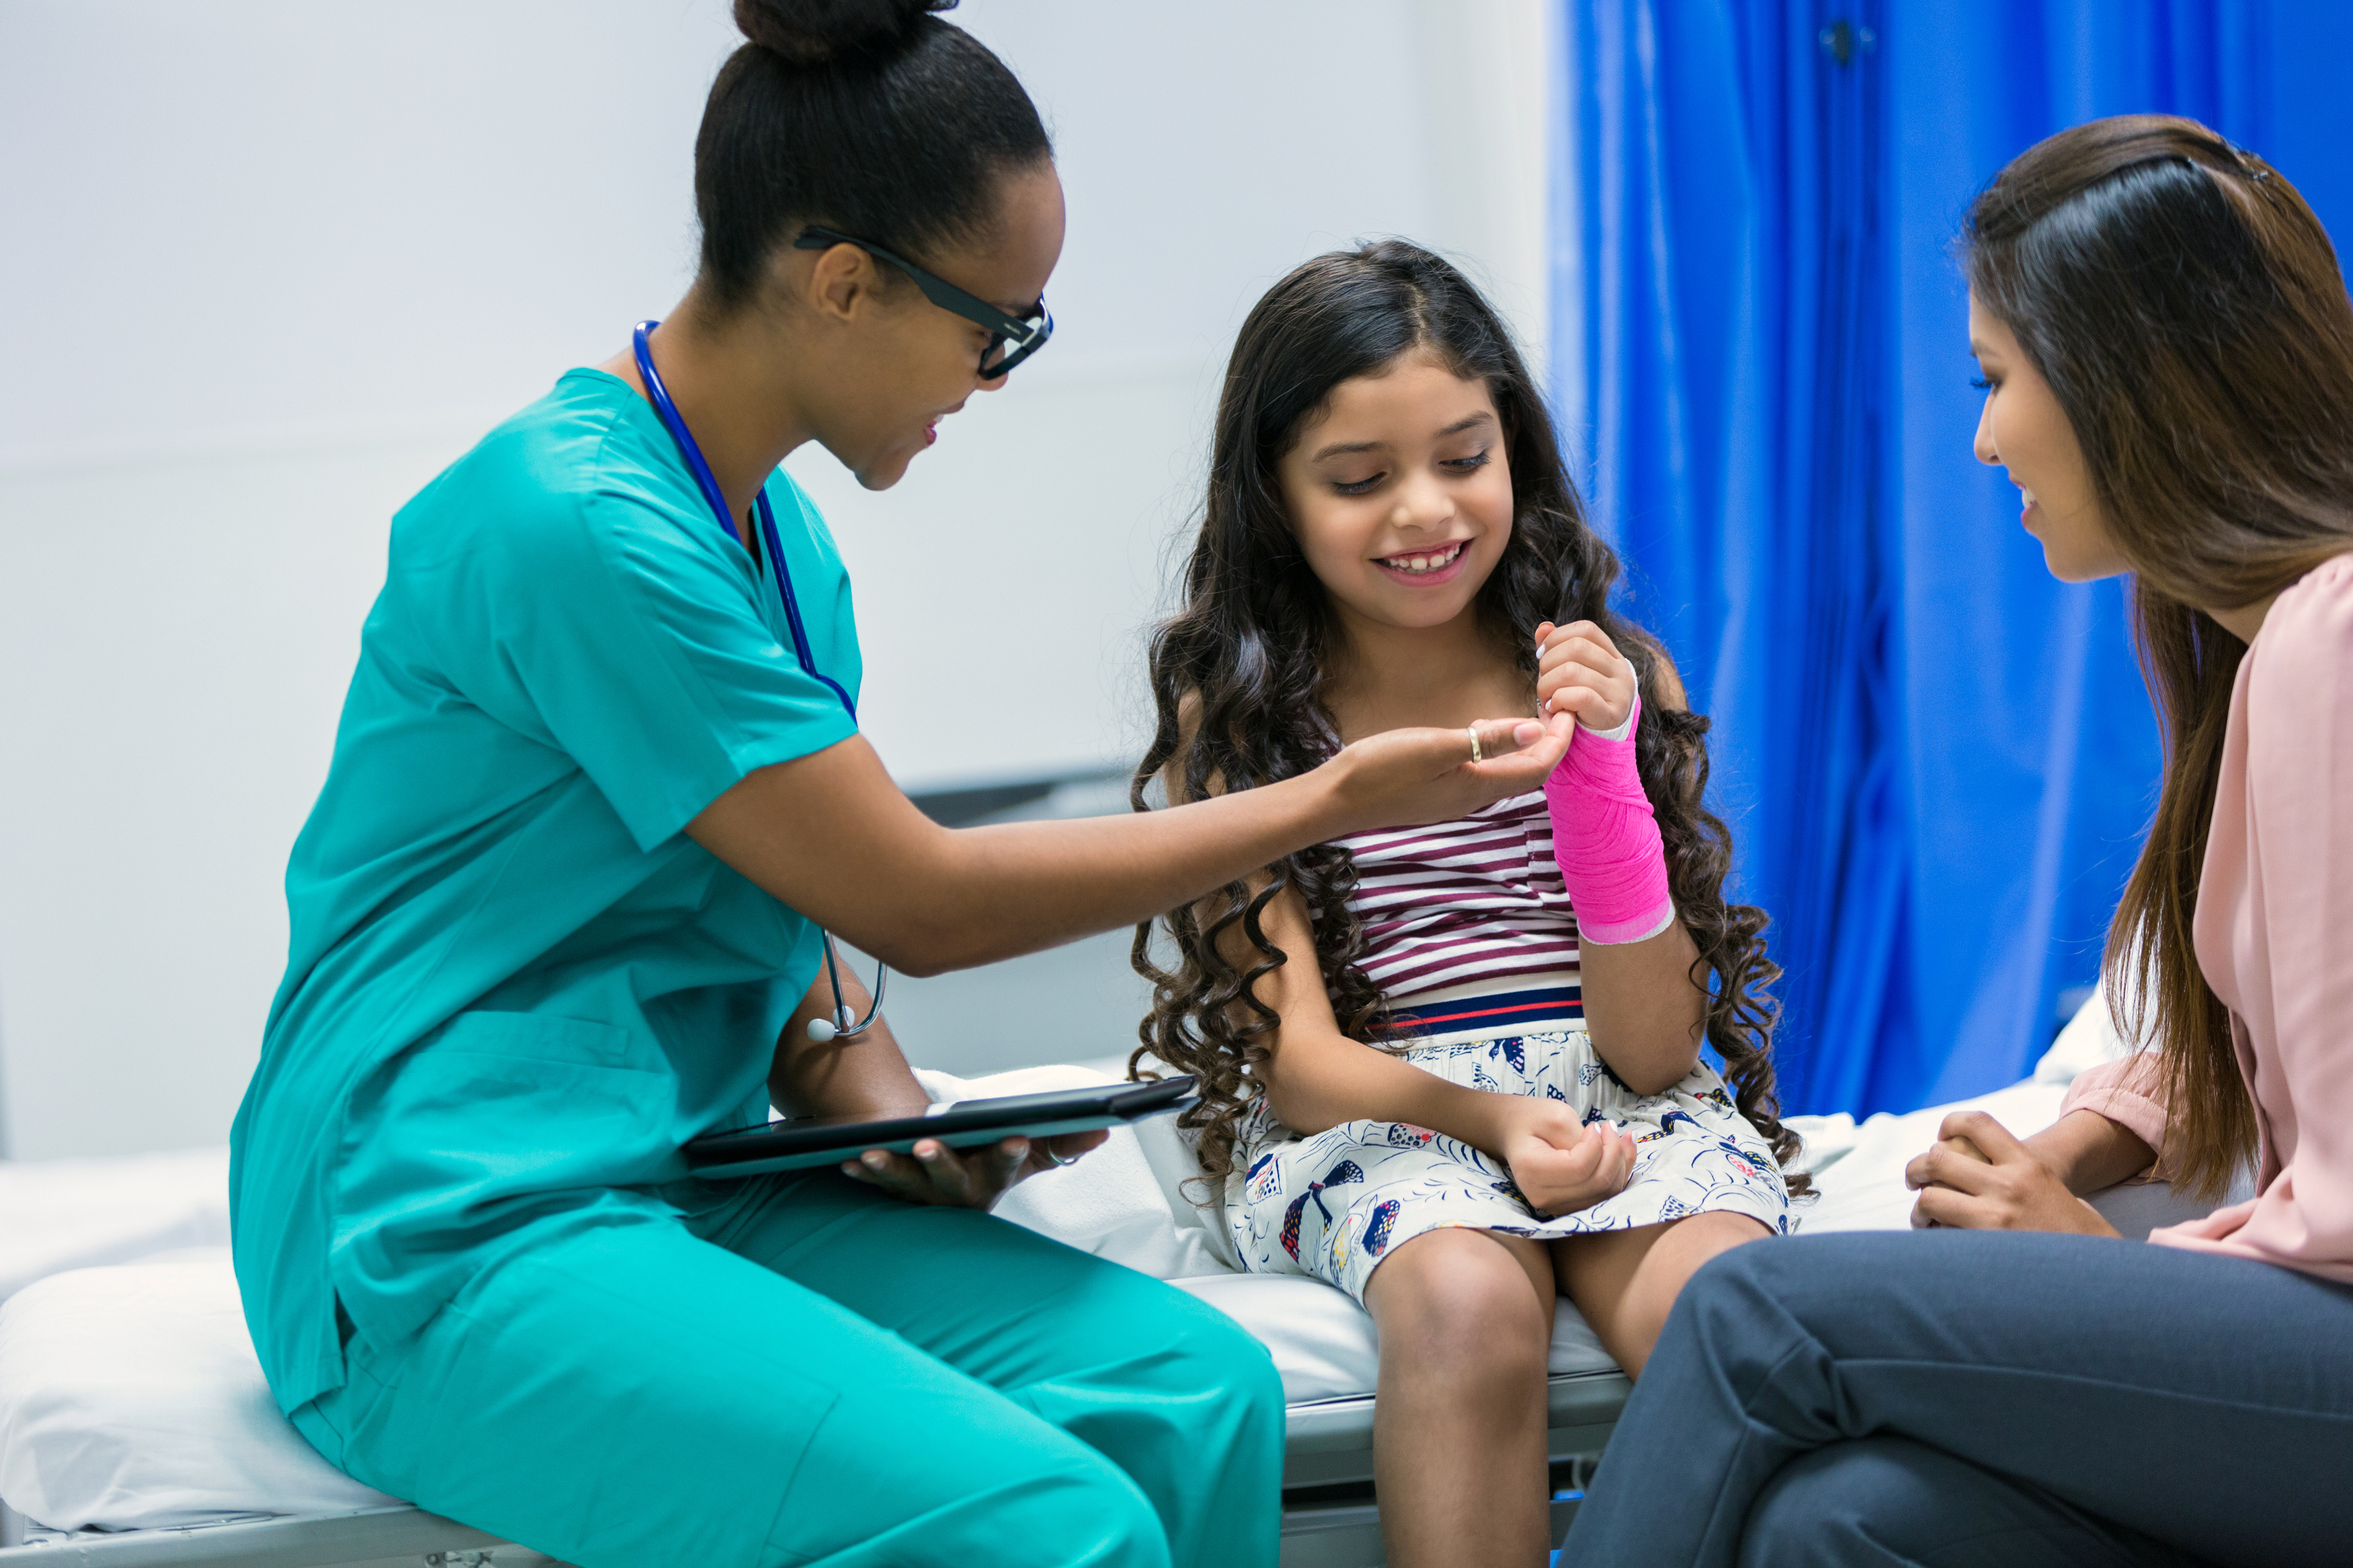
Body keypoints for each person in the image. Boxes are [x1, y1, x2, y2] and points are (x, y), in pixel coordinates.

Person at [225, 7, 1577, 1568]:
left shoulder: (780, 548)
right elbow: (912, 900)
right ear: (843, 279)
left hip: (678, 1170)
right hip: (439, 1226)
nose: (995, 375)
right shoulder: (571, 524)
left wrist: (859, 1085)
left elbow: (775, 900)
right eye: (995, 326)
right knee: (1052, 1523)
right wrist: (1327, 798)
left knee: (1190, 1390)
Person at [1560, 115, 2353, 1567]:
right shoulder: (2261, 656)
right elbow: (2279, 1038)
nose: (1982, 437)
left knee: (1760, 1313)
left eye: (1997, 378)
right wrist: (2085, 1139)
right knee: (1841, 1521)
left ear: (2136, 381)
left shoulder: (2333, 649)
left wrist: (2102, 1273)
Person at [1129, 242, 1804, 1568]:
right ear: (1273, 495)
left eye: (1463, 456)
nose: (1424, 511)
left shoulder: (1615, 681)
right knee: (1461, 1301)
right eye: (1358, 479)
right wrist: (1492, 1120)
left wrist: (1599, 763)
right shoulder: (1247, 727)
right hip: (1390, 1111)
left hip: (1610, 1097)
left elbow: (1655, 1054)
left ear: (1517, 451)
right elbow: (1309, 1069)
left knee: (1725, 1312)